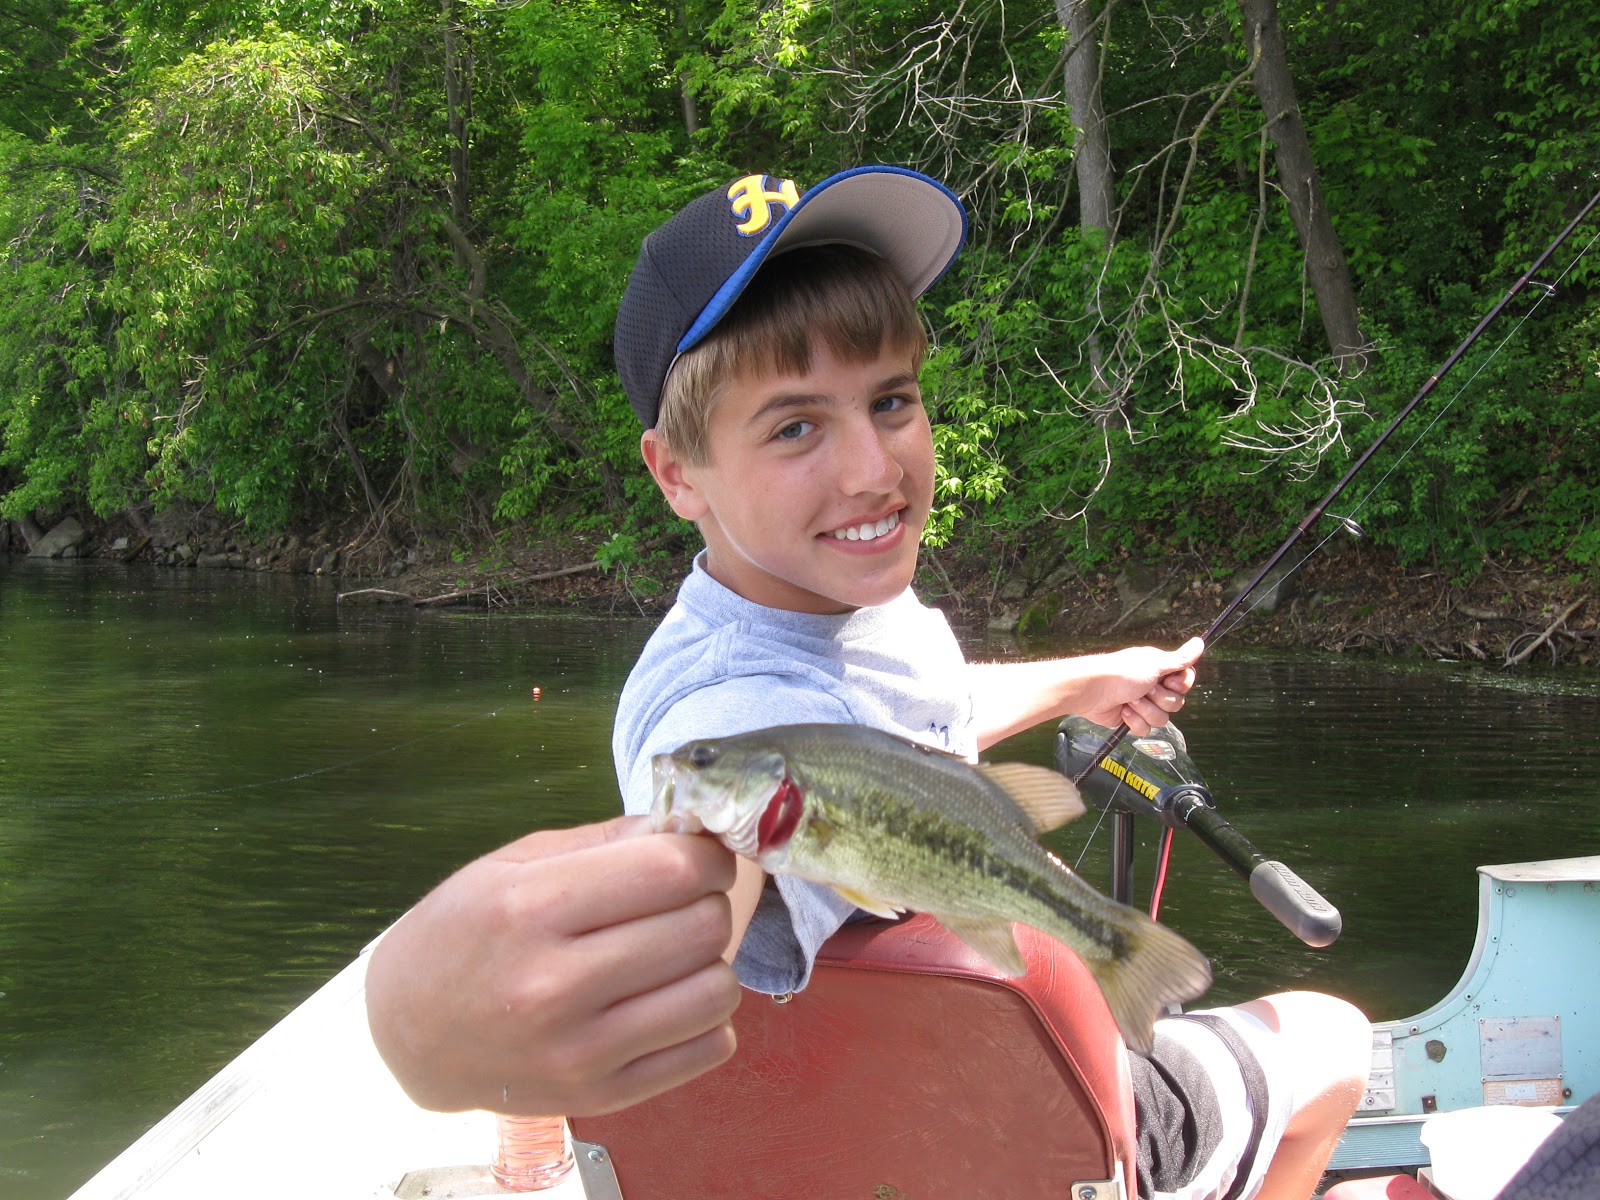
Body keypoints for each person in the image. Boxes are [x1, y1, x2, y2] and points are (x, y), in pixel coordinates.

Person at [366, 166, 1370, 1200]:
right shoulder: (726, 714)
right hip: (996, 1129)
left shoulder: (808, 613)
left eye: (890, 401)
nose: (871, 471)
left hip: (890, 1128)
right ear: (676, 473)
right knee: (1332, 1042)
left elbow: (898, 740)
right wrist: (420, 1016)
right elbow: (713, 873)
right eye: (795, 426)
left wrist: (1084, 681)